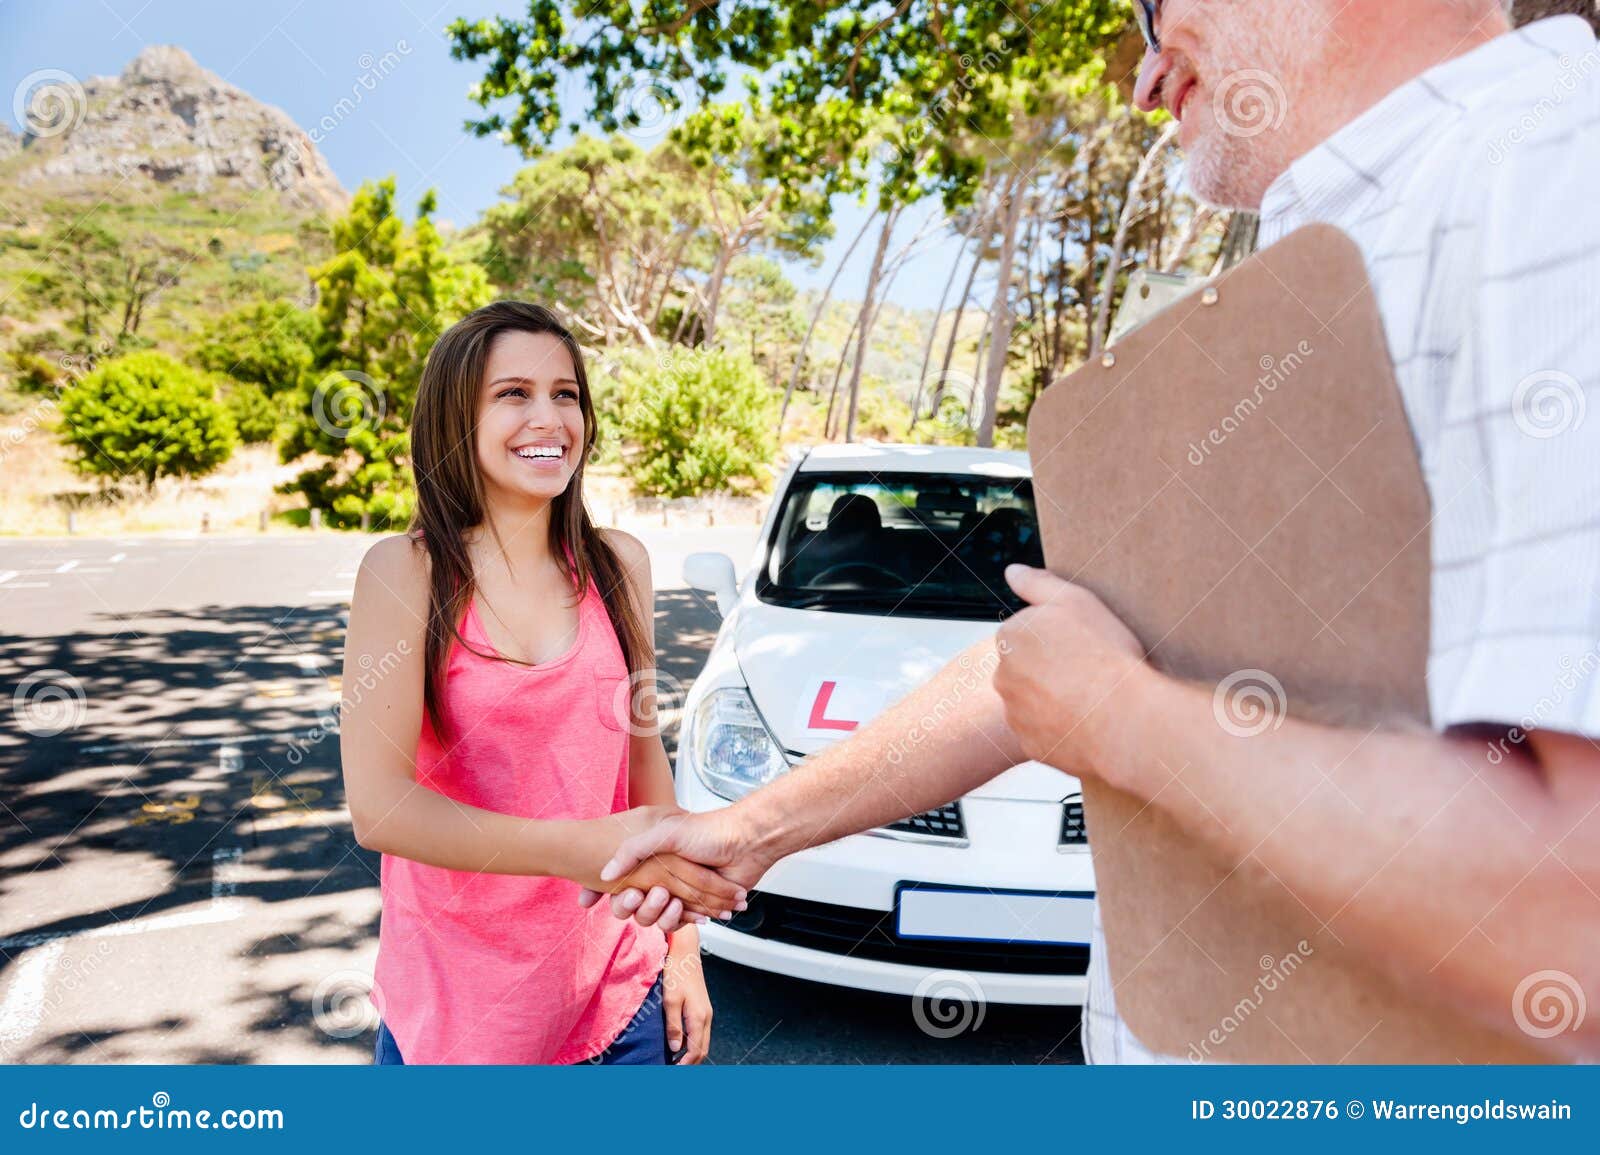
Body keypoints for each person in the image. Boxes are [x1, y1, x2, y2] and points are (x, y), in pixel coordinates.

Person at [589, 0, 1600, 1063]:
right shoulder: (1375, 248)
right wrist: (744, 832)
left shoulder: (1550, 171)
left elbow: (1571, 924)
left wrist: (1120, 717)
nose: (1144, 74)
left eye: (1154, 9)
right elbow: (1047, 660)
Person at [339, 301, 744, 1065]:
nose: (549, 417)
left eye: (566, 394)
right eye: (513, 393)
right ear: (456, 417)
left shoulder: (620, 566)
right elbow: (381, 807)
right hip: (458, 1021)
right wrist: (576, 848)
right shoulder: (405, 573)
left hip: (621, 997)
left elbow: (642, 768)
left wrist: (682, 946)